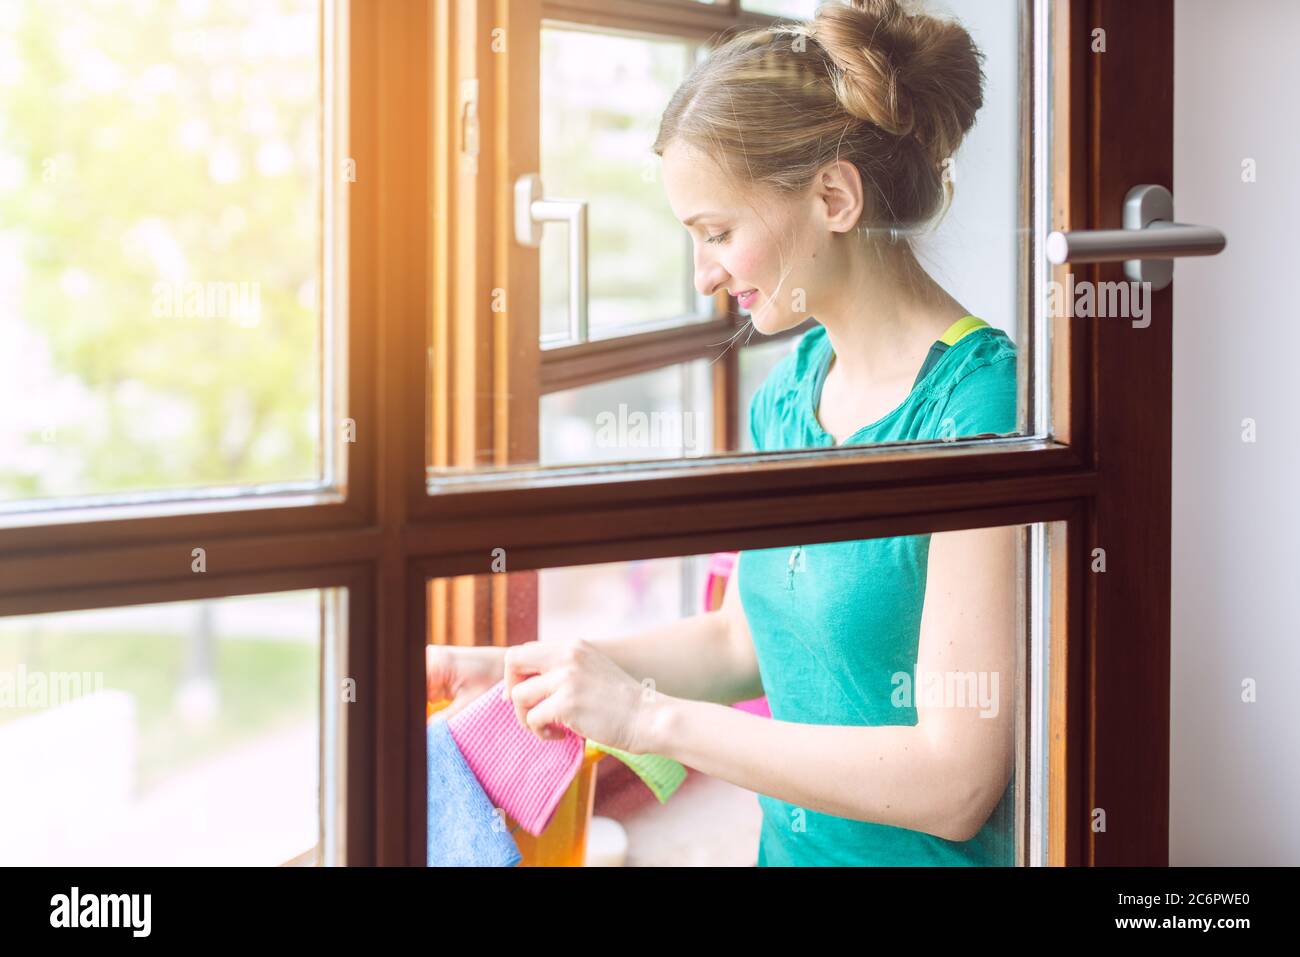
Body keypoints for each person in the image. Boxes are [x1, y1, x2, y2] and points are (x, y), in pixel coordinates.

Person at [427, 0, 1018, 866]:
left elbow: (954, 781)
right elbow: (739, 642)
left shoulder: (979, 409)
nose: (706, 273)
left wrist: (646, 718)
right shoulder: (788, 397)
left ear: (833, 196)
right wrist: (522, 671)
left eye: (719, 233)